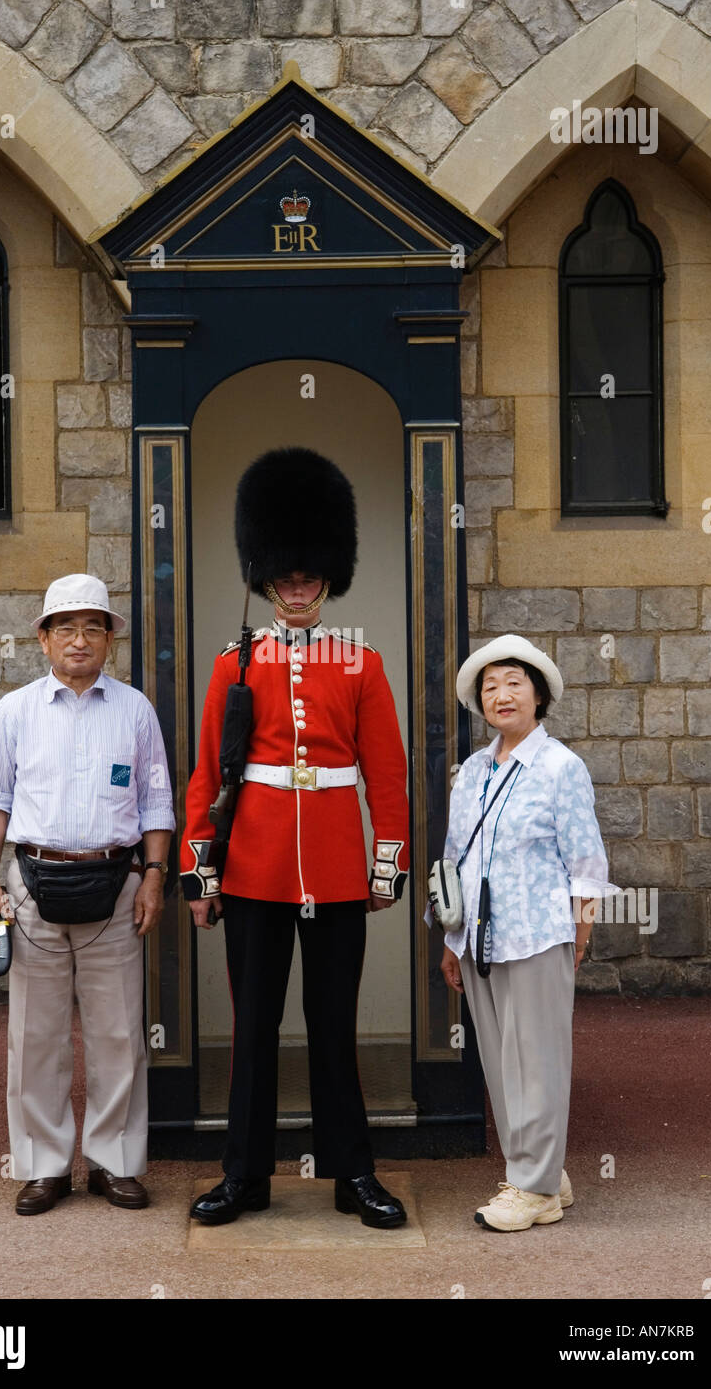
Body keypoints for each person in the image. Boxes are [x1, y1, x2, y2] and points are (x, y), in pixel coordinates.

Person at [182, 447, 410, 1228]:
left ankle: (353, 1176)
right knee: (253, 1031)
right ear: (268, 578)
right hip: (252, 869)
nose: (298, 588)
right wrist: (199, 872)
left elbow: (386, 777)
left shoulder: (362, 664)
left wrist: (388, 863)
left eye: (310, 576)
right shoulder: (232, 666)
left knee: (333, 1028)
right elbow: (208, 776)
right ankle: (244, 1179)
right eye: (286, 577)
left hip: (340, 871)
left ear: (326, 576)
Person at [0, 573, 175, 1215]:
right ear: (43, 638)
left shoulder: (135, 710)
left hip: (116, 884)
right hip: (31, 887)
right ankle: (44, 1165)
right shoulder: (14, 712)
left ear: (110, 640)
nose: (80, 639)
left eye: (94, 627)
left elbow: (156, 800)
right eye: (66, 627)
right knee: (36, 1035)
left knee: (118, 1032)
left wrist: (154, 874)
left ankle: (114, 1162)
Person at [434, 634, 616, 1232]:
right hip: (480, 938)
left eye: (514, 682)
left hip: (539, 934)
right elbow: (456, 856)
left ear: (539, 696)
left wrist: (579, 938)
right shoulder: (473, 772)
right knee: (500, 1063)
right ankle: (540, 1172)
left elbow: (586, 862)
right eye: (490, 685)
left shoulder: (562, 767)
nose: (501, 694)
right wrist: (450, 942)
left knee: (536, 1061)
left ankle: (532, 1187)